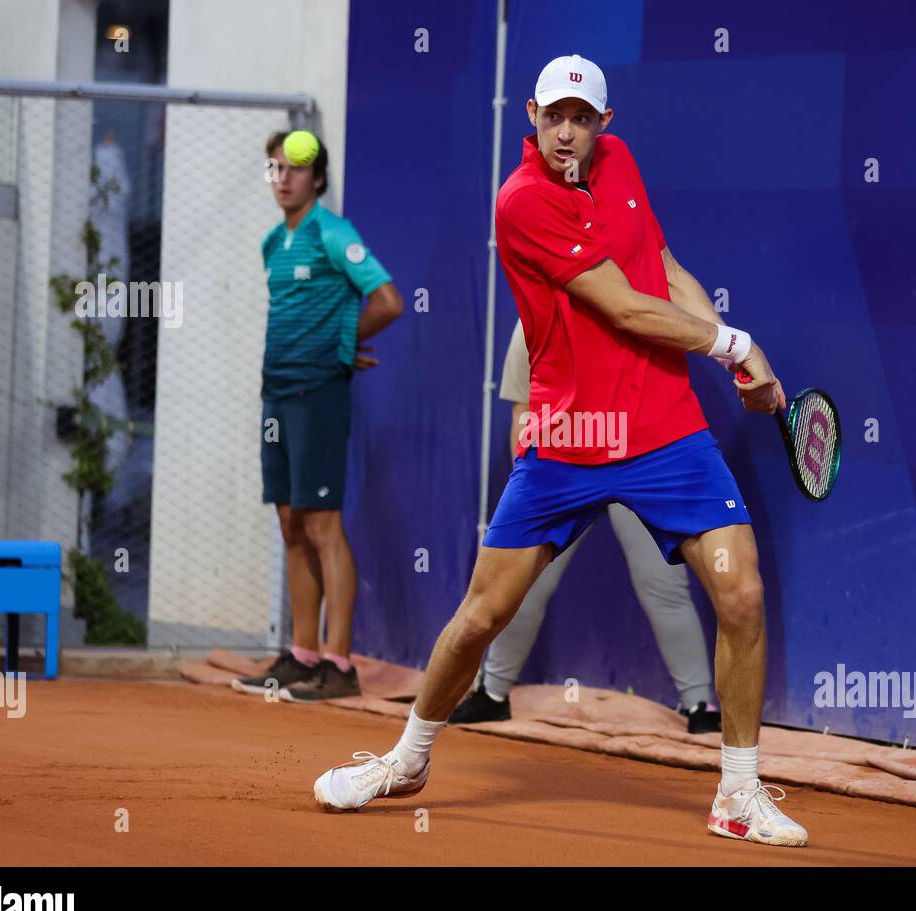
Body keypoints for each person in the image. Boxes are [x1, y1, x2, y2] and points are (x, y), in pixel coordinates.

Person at [314, 55, 807, 847]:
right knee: (482, 616)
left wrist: (734, 349)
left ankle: (739, 793)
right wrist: (738, 345)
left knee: (742, 595)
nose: (568, 131)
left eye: (583, 117)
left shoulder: (622, 166)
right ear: (533, 121)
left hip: (663, 429)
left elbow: (663, 269)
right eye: (555, 117)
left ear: (604, 125)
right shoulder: (521, 203)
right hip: (570, 438)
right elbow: (622, 306)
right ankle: (408, 758)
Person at [450, 320, 722, 734]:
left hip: (640, 466)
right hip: (564, 472)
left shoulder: (640, 316)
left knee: (662, 584)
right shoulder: (530, 326)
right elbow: (523, 411)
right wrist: (530, 493)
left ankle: (699, 703)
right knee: (519, 584)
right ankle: (493, 693)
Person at [231, 131, 403, 703]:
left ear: (318, 179)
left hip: (319, 395)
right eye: (275, 168)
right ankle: (302, 655)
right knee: (290, 523)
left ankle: (340, 663)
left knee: (323, 525)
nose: (282, 177)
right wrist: (335, 337)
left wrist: (340, 341)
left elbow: (388, 300)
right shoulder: (271, 244)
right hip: (275, 395)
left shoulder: (335, 234)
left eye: (295, 169)